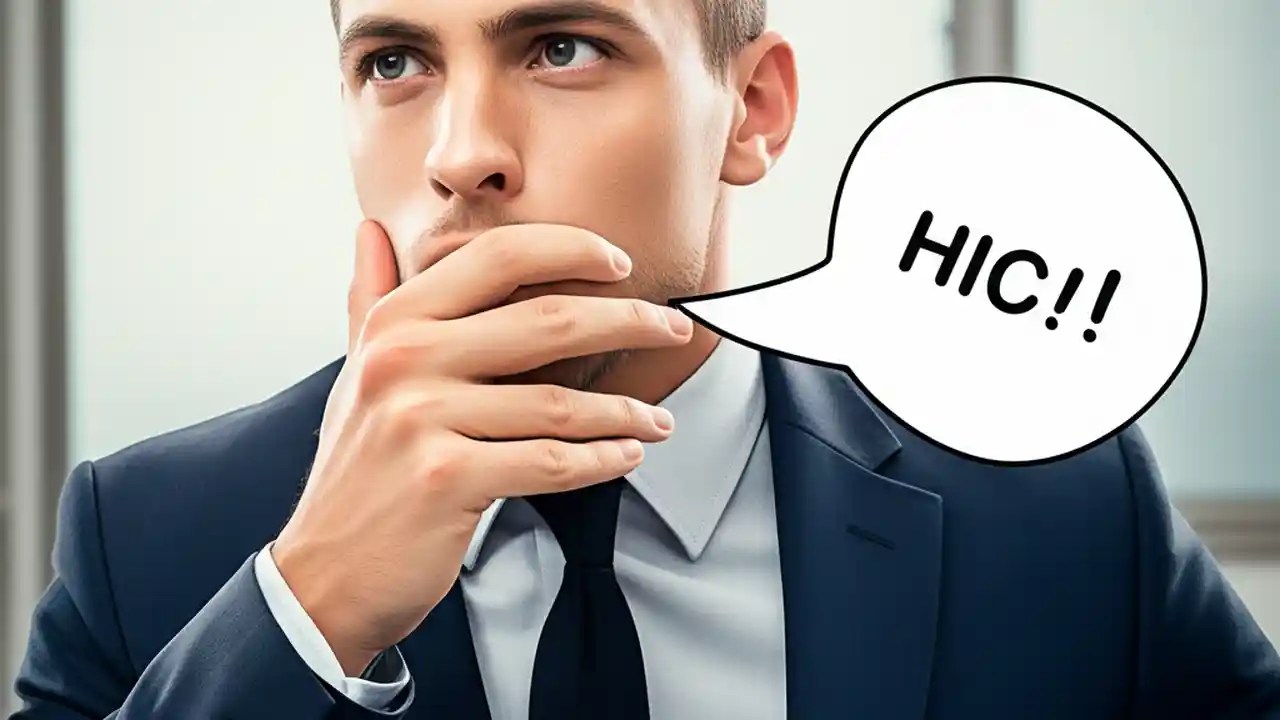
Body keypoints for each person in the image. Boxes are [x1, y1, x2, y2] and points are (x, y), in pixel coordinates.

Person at [12, 0, 1280, 717]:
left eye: (560, 46)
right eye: (395, 62)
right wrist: (308, 611)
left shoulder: (1058, 504)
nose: (461, 154)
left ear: (753, 111)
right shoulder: (152, 540)